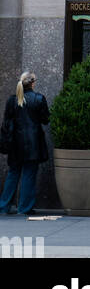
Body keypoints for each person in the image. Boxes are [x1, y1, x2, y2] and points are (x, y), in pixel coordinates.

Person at [0, 71, 51, 216]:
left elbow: (6, 121)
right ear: (33, 82)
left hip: (15, 143)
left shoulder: (12, 100)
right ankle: (24, 208)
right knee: (29, 174)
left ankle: (4, 206)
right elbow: (45, 120)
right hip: (33, 143)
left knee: (13, 173)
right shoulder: (39, 98)